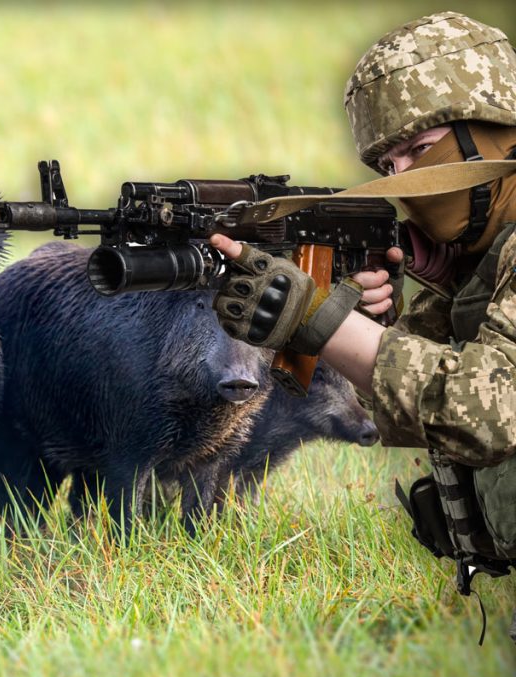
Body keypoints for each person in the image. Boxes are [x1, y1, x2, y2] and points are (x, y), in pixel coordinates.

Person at [208, 11, 516, 599]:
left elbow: (493, 411)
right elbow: (424, 401)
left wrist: (317, 320)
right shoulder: (487, 259)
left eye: (420, 150)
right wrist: (450, 289)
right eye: (387, 167)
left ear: (495, 132)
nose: (403, 183)